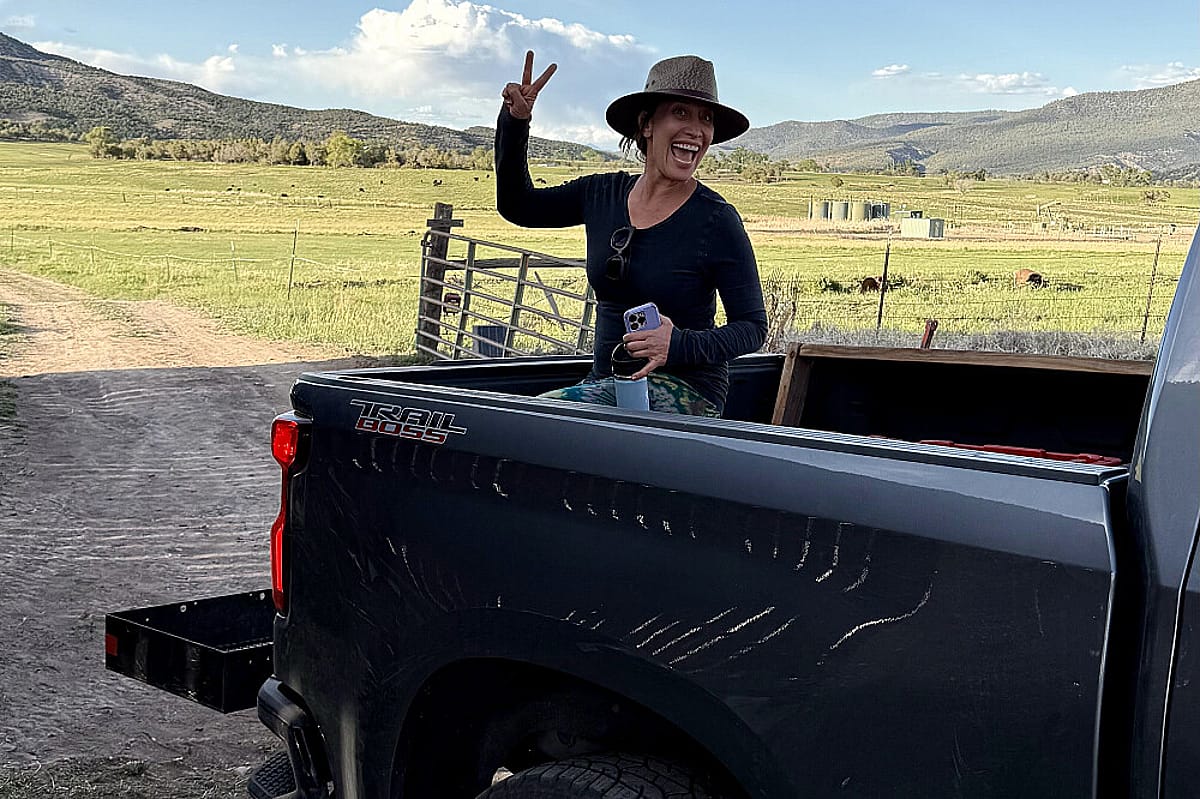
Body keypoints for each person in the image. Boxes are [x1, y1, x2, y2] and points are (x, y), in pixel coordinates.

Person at [496, 52, 767, 418]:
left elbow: (752, 328)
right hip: (606, 383)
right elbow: (519, 206)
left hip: (686, 390)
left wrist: (677, 345)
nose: (696, 130)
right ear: (647, 124)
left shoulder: (717, 220)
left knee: (537, 419)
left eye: (706, 118)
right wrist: (515, 122)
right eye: (681, 113)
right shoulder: (601, 194)